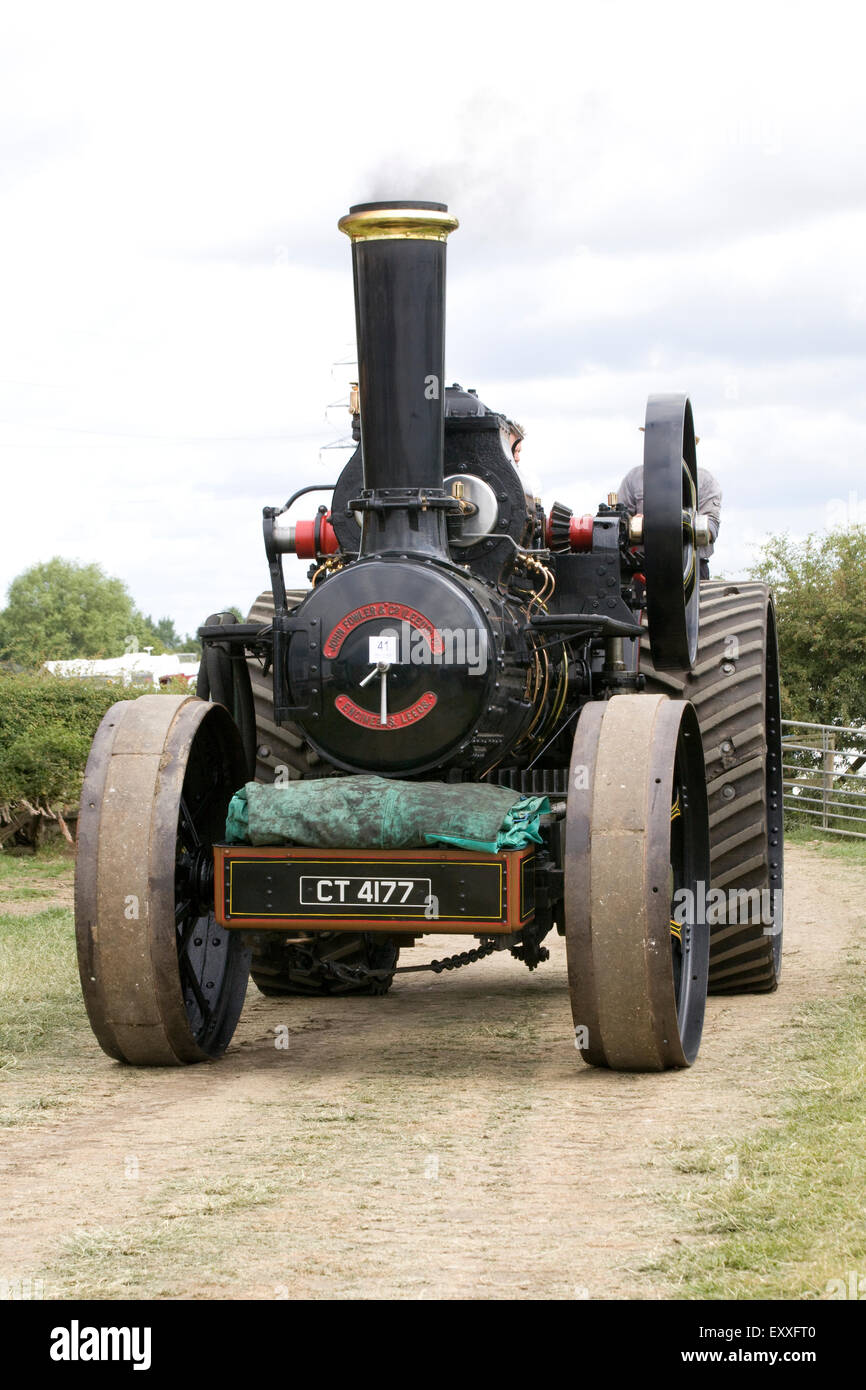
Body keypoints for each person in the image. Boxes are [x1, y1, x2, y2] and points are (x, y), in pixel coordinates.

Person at [617, 435, 721, 580]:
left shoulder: (704, 480)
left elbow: (710, 528)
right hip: (643, 569)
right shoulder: (634, 478)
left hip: (692, 570)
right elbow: (619, 526)